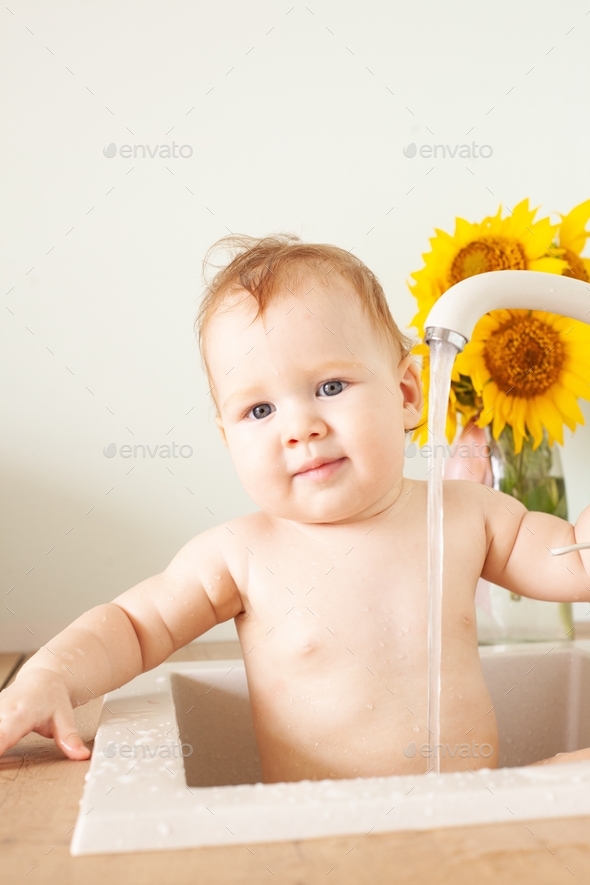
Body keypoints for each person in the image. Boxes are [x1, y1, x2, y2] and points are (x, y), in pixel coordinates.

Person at [1, 234, 589, 781]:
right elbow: (132, 627)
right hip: (315, 838)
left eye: (330, 387)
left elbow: (575, 561)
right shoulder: (237, 555)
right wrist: (52, 674)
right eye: (259, 411)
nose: (301, 428)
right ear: (228, 437)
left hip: (470, 824)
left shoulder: (468, 514)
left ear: (408, 394)